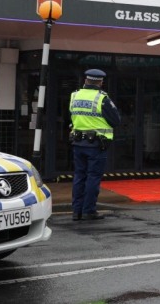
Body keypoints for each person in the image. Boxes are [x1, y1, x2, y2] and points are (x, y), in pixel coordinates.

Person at [69, 68, 121, 221]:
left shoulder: (74, 96)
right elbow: (116, 121)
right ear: (100, 82)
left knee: (79, 176)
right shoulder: (102, 99)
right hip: (96, 145)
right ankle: (88, 210)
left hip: (78, 143)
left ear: (86, 80)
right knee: (93, 177)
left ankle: (76, 211)